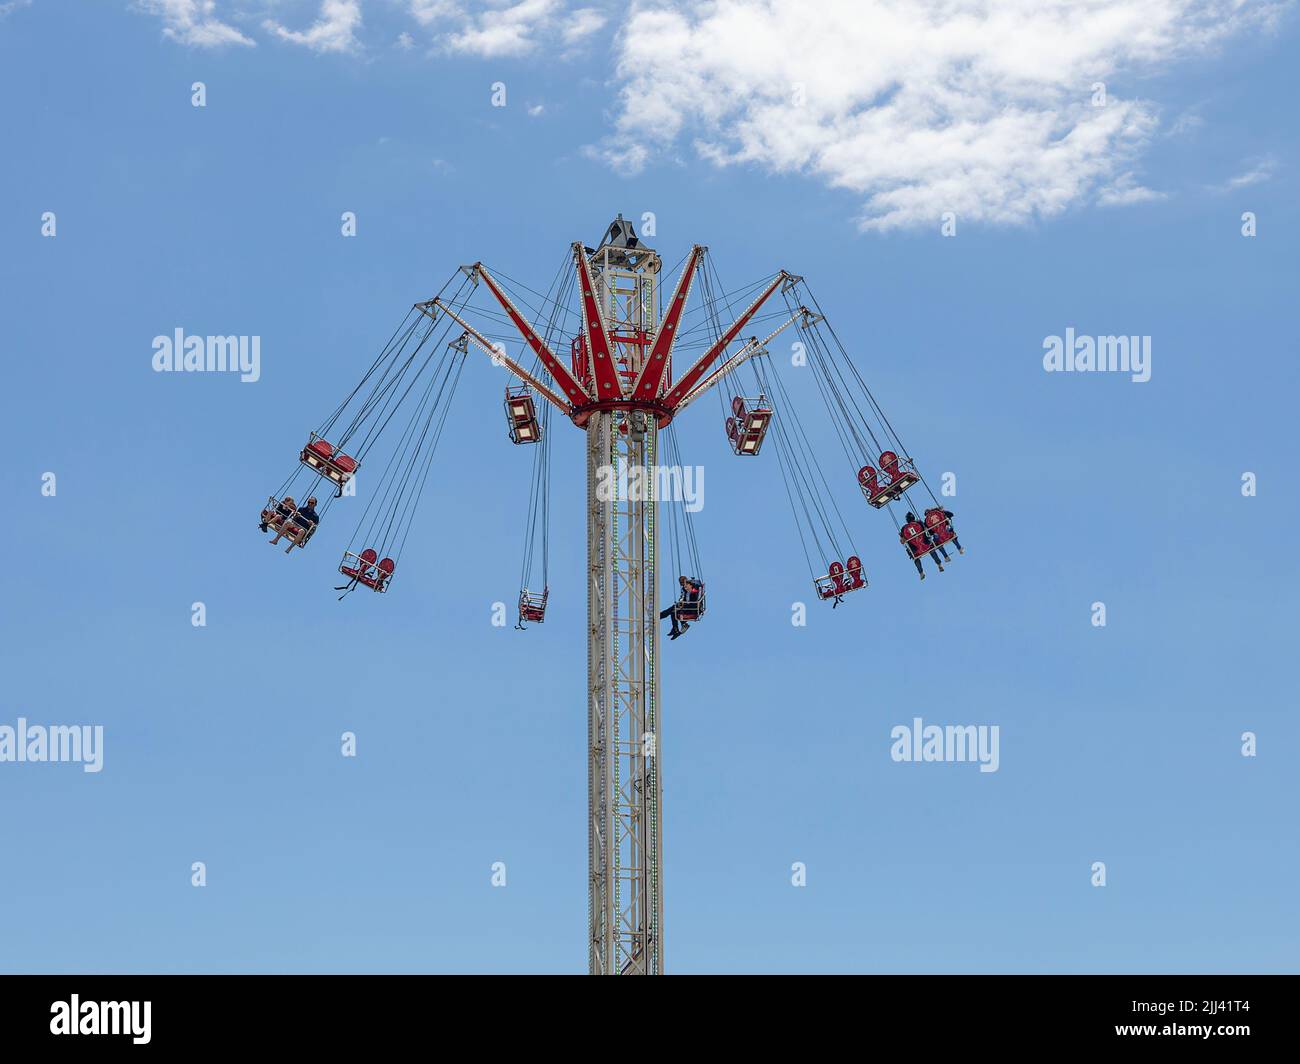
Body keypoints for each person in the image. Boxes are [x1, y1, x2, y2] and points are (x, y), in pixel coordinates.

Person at [900, 511, 943, 579]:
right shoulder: (919, 522)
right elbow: (926, 528)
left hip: (916, 550)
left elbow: (902, 541)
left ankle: (921, 573)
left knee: (915, 558)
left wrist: (901, 536)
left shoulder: (903, 528)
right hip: (925, 544)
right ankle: (939, 564)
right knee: (931, 550)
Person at [660, 575, 701, 640]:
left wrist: (682, 604)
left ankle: (678, 626)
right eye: (682, 585)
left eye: (685, 585)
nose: (684, 587)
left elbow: (697, 585)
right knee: (673, 609)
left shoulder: (693, 589)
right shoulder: (685, 590)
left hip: (692, 609)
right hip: (687, 606)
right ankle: (675, 629)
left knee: (674, 612)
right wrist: (681, 603)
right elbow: (685, 598)